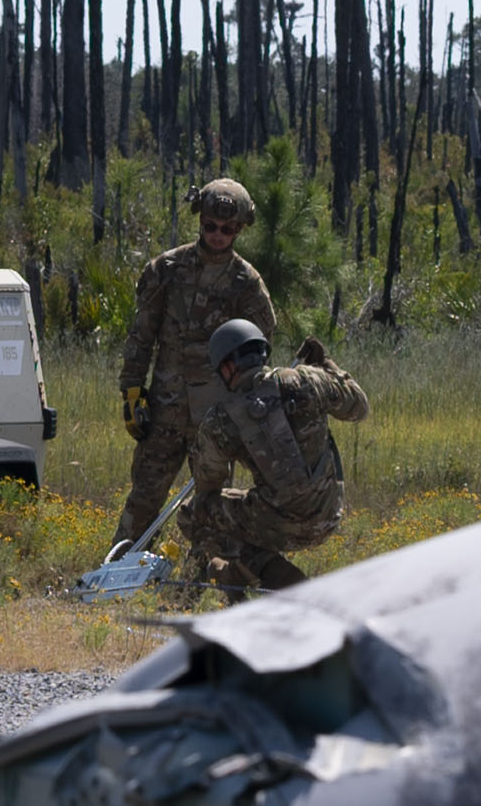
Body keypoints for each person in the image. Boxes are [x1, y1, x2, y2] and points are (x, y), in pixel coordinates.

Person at [112, 175, 279, 556]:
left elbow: (260, 349)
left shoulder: (246, 283)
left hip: (216, 419)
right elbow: (141, 336)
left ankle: (205, 581)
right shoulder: (166, 269)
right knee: (144, 497)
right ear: (199, 220)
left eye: (227, 228)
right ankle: (119, 574)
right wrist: (132, 391)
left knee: (212, 504)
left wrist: (252, 409)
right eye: (210, 226)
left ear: (239, 229)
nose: (218, 234)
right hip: (163, 411)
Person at [177, 319, 368, 594]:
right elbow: (359, 407)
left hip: (277, 525)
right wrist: (326, 364)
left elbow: (207, 485)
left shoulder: (220, 419)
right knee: (249, 509)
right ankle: (238, 576)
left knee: (192, 512)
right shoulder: (308, 379)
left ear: (228, 367)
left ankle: (264, 576)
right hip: (329, 514)